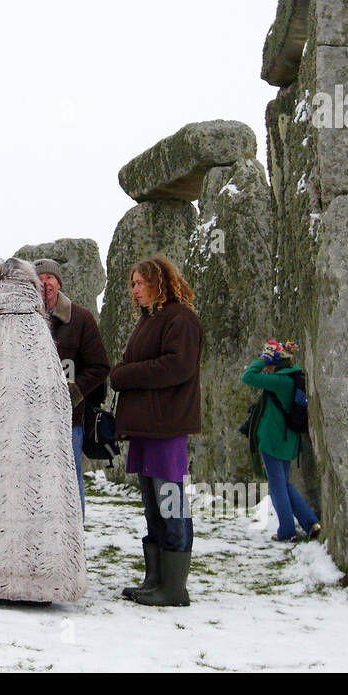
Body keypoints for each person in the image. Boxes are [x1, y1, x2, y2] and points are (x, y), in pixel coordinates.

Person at [0, 258, 86, 604]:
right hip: (31, 439)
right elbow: (55, 392)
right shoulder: (36, 326)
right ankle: (38, 580)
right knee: (33, 500)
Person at [110, 254, 202, 607]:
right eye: (132, 284)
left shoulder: (181, 319)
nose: (134, 290)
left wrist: (125, 375)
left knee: (171, 503)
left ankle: (174, 587)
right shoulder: (150, 320)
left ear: (158, 282)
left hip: (167, 426)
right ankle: (156, 580)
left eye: (139, 283)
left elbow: (177, 367)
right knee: (153, 504)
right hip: (147, 427)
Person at [34, 258, 109, 519]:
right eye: (39, 278)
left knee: (70, 475)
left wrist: (74, 393)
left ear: (58, 282)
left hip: (70, 419)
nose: (45, 283)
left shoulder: (80, 318)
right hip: (31, 419)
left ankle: (75, 535)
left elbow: (99, 366)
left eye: (50, 278)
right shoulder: (24, 319)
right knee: (35, 480)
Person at [243, 340, 322, 543]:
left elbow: (248, 377)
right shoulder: (295, 376)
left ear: (276, 362)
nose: (267, 367)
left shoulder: (279, 381)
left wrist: (262, 359)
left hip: (273, 441)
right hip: (288, 440)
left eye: (270, 362)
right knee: (284, 485)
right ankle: (310, 522)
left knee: (277, 488)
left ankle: (287, 531)